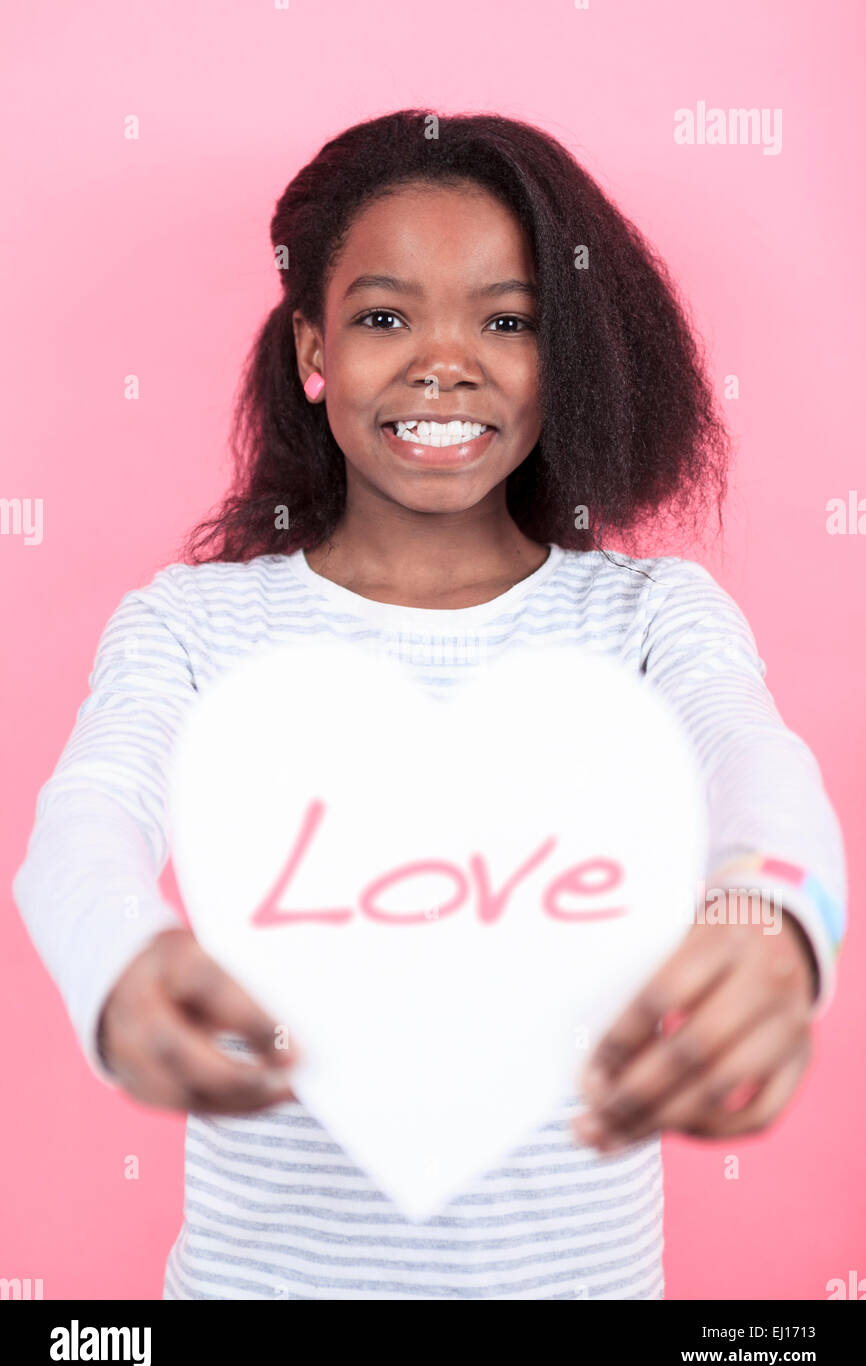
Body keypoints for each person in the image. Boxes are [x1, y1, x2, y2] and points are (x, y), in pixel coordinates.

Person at [13, 109, 846, 1300]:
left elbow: (757, 767)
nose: (440, 361)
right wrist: (123, 964)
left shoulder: (651, 618)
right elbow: (84, 819)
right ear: (313, 350)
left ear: (561, 357)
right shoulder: (194, 627)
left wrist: (777, 922)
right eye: (383, 316)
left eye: (505, 320)